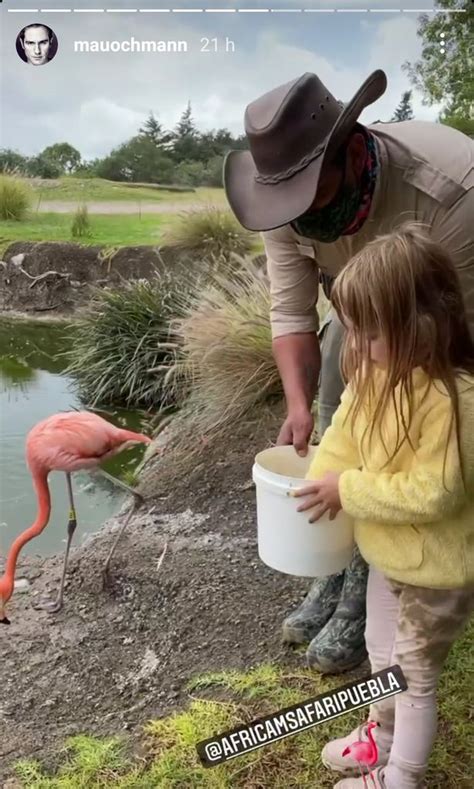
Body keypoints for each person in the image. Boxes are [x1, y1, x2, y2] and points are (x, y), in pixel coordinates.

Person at [223, 70, 474, 673]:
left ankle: (385, 582)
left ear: (350, 150)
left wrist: (393, 417)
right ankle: (337, 574)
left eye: (311, 197)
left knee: (418, 433)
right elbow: (292, 311)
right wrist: (302, 406)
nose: (296, 217)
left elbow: (453, 333)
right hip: (363, 309)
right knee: (344, 412)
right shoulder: (283, 201)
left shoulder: (451, 189)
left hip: (449, 311)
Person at [291, 223, 474, 788]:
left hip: (438, 572)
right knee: (380, 657)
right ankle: (381, 742)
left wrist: (346, 490)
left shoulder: (453, 399)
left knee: (415, 676)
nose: (356, 347)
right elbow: (342, 437)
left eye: (371, 333)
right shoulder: (373, 373)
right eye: (352, 330)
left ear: (425, 326)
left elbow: (435, 492)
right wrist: (316, 480)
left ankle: (402, 778)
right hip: (387, 554)